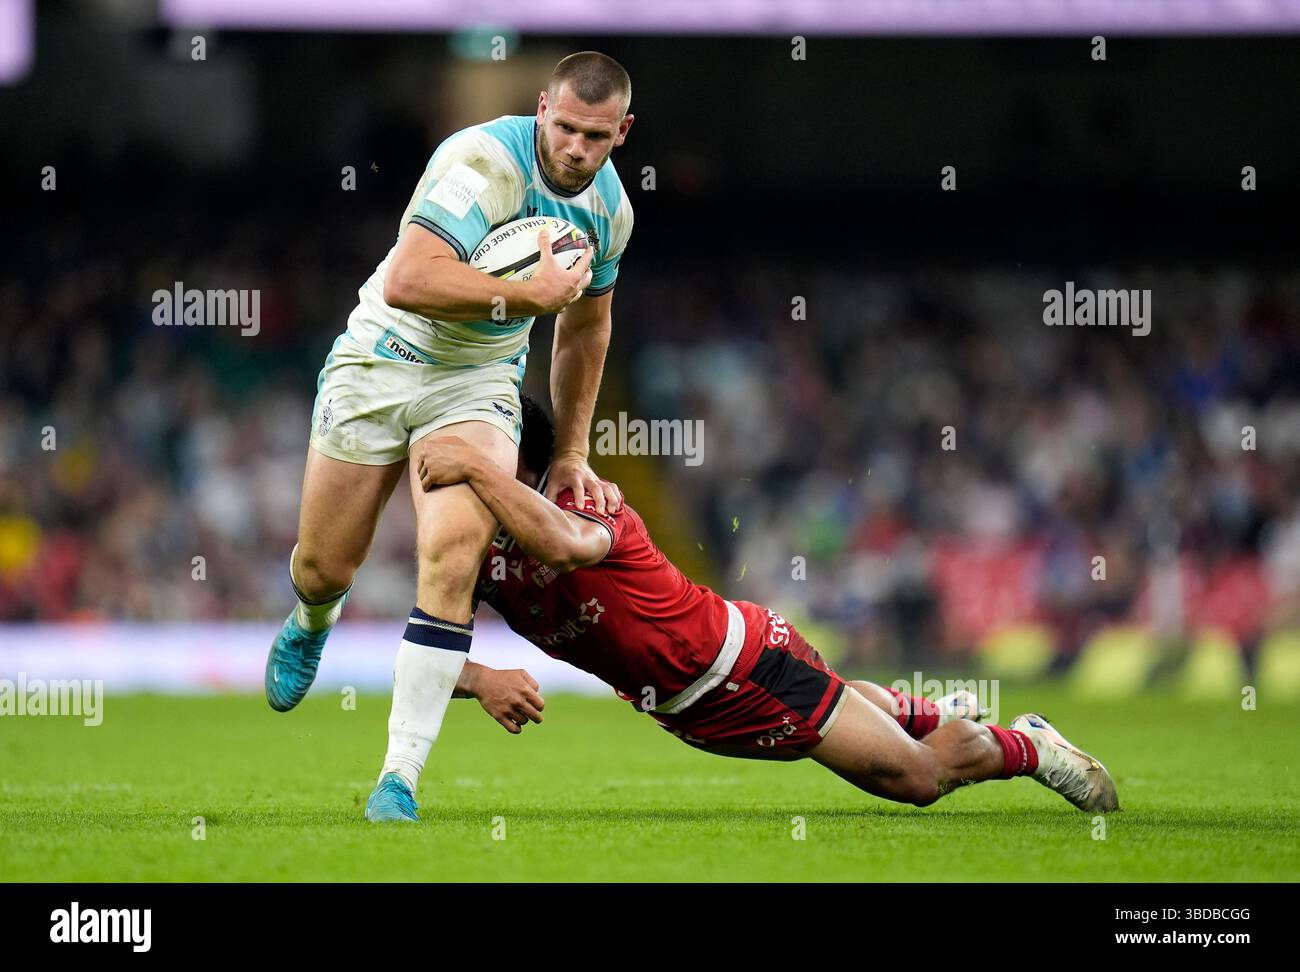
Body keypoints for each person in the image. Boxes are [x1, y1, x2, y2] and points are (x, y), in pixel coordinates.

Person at [408, 395, 1121, 820]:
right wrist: (482, 679)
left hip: (745, 667)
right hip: (687, 707)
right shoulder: (482, 557)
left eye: (488, 466)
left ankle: (1028, 746)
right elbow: (424, 641)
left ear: (519, 465)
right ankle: (925, 711)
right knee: (854, 714)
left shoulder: (585, 502)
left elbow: (563, 549)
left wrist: (471, 465)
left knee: (916, 780)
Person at [263, 52, 636, 824]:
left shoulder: (610, 213)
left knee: (454, 554)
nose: (575, 148)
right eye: (564, 127)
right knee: (326, 564)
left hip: (475, 385)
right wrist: (523, 294)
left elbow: (585, 329)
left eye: (594, 136)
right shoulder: (478, 162)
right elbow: (409, 280)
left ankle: (398, 778)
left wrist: (569, 451)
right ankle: (312, 619)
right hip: (383, 359)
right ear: (541, 109)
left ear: (621, 133)